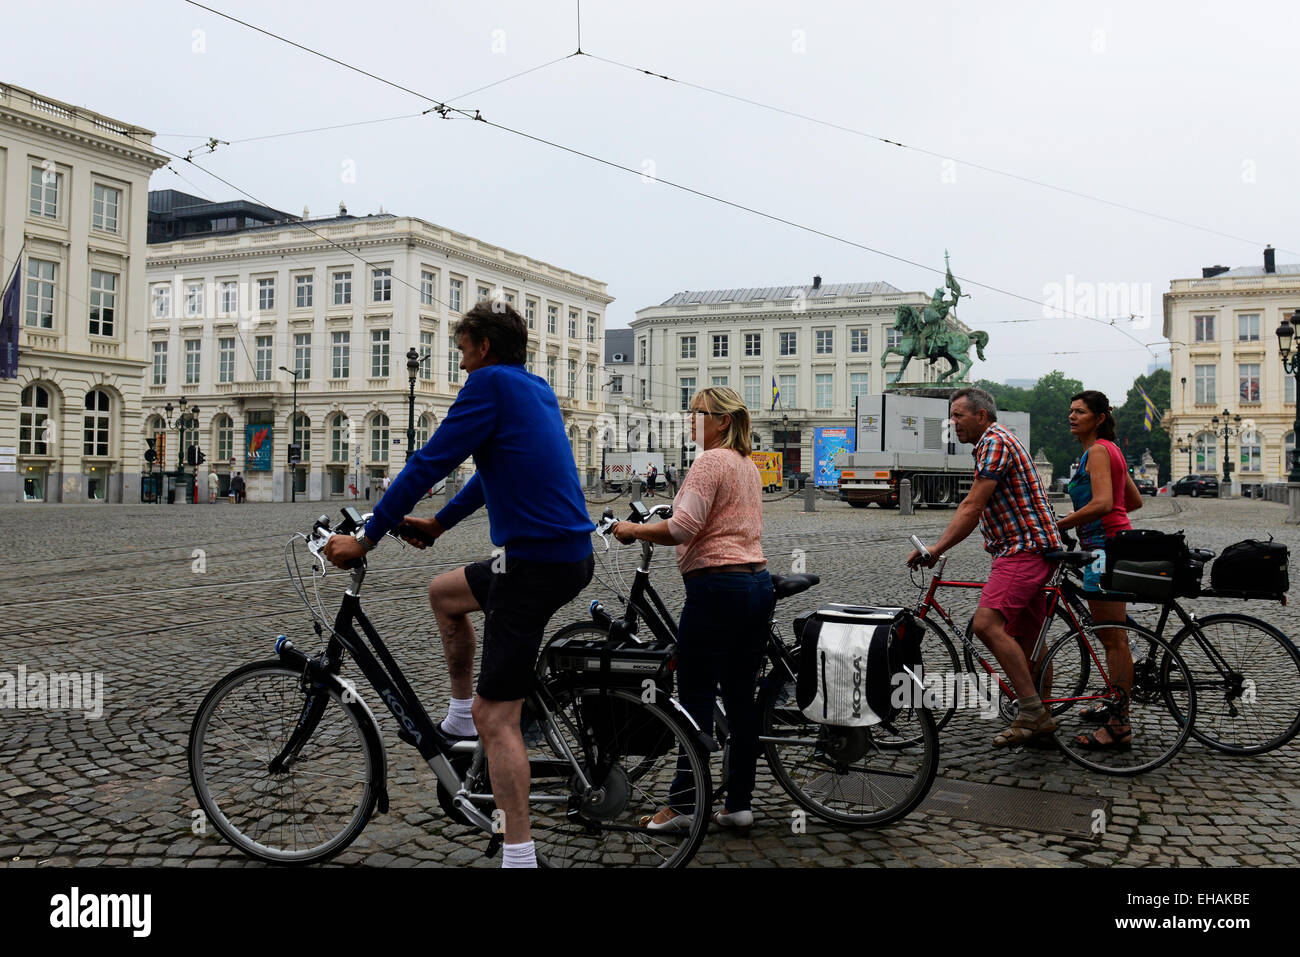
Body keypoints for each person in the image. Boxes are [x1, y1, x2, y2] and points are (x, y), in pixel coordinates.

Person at [323, 301, 594, 869]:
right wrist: (439, 522)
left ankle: (518, 853)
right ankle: (459, 714)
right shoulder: (534, 387)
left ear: (485, 348)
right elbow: (489, 469)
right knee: (445, 594)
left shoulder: (488, 385)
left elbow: (427, 462)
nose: (462, 363)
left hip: (533, 564)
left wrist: (367, 538)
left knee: (502, 718)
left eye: (464, 351)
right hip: (566, 556)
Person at [611, 386, 773, 830]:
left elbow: (683, 529)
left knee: (695, 698)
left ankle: (684, 805)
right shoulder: (746, 464)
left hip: (716, 586)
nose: (690, 418)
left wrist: (634, 530)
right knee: (741, 700)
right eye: (690, 411)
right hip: (756, 583)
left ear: (723, 421)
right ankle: (739, 804)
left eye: (699, 412)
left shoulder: (710, 461)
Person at [905, 387, 1064, 748]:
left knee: (986, 624)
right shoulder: (997, 441)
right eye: (951, 415)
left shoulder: (994, 441)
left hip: (1023, 550)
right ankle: (1043, 718)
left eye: (959, 415)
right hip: (1034, 548)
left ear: (981, 415)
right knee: (1028, 640)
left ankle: (1031, 712)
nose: (952, 422)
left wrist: (936, 548)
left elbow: (972, 505)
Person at [1057, 390, 1143, 750]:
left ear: (1100, 417)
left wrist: (1061, 524)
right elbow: (1132, 500)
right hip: (1108, 543)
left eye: (1080, 412)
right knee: (1112, 635)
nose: (1072, 417)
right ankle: (1114, 702)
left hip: (1104, 550)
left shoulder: (1096, 451)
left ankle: (1119, 724)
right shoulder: (1110, 450)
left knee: (1112, 637)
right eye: (1071, 411)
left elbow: (1106, 502)